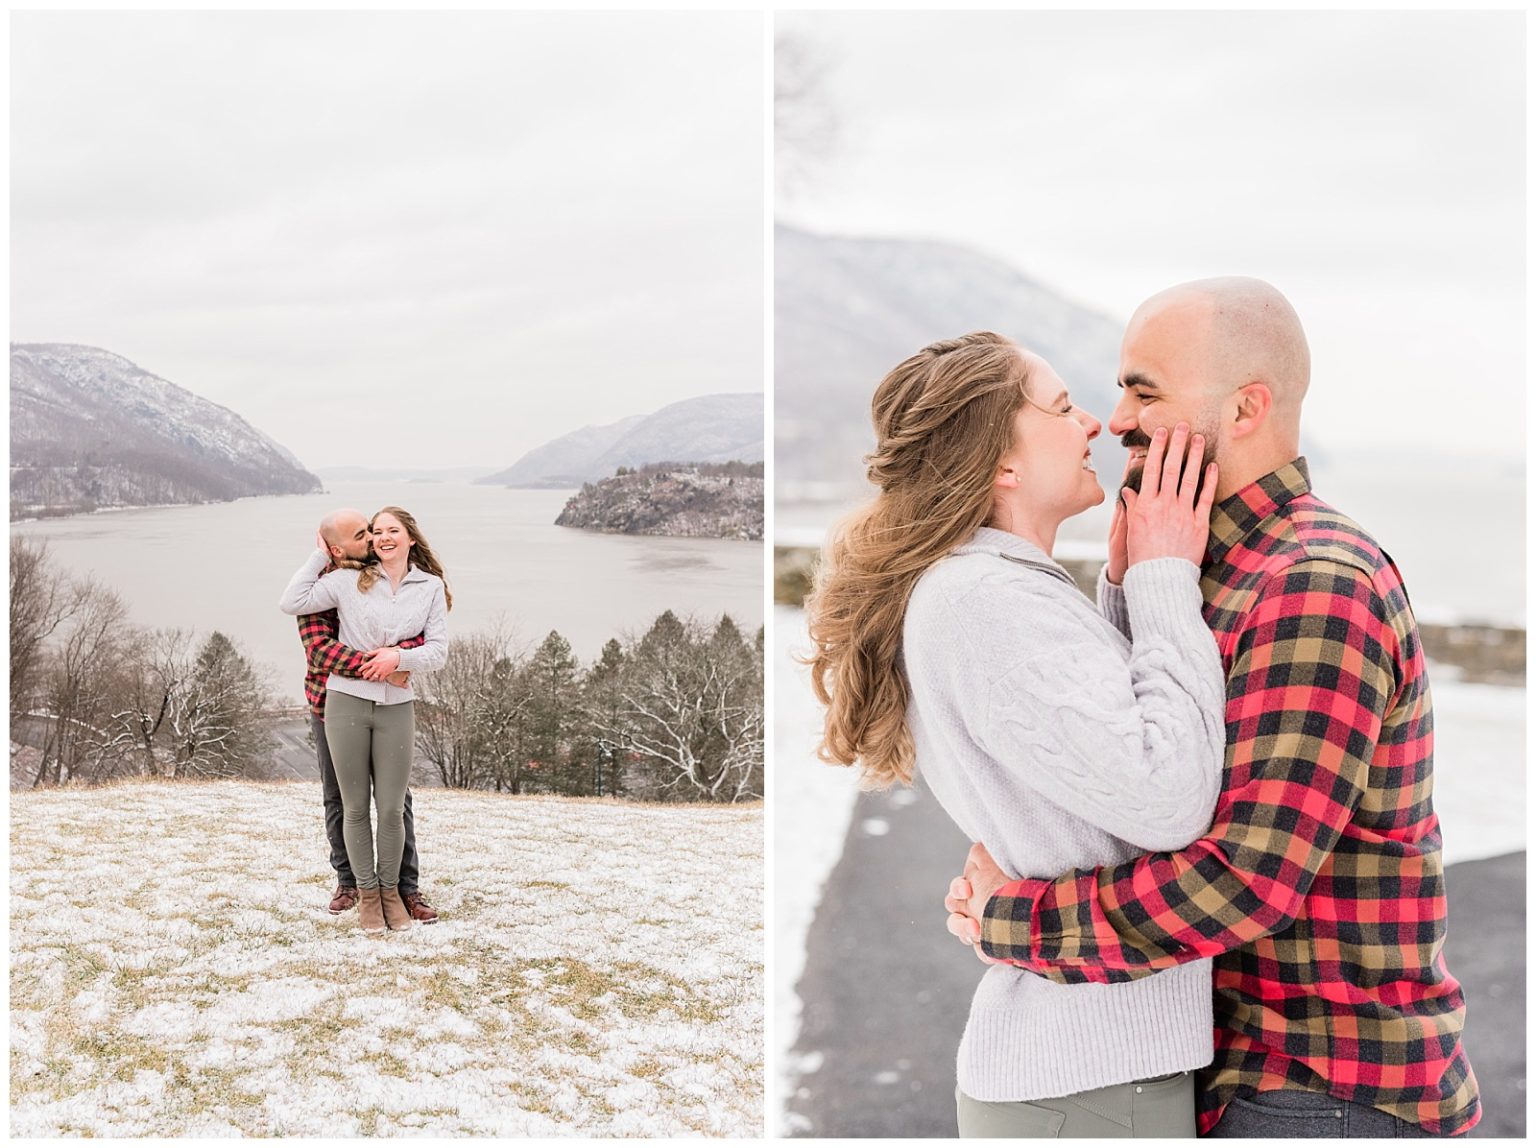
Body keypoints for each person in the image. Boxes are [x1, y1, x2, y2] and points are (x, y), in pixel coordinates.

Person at [943, 278, 1480, 1137]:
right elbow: (1140, 769)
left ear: (1244, 410)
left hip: (1322, 1089)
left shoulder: (1312, 585)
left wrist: (1013, 918)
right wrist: (1131, 583)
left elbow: (1243, 879)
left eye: (1143, 392)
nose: (1116, 419)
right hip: (1240, 1079)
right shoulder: (1202, 569)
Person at [806, 331, 1228, 1136]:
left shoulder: (989, 589)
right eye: (1064, 407)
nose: (1096, 425)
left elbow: (1077, 766)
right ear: (1002, 462)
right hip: (1096, 1080)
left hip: (1086, 1073)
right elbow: (1168, 797)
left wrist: (1126, 590)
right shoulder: (984, 602)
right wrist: (1166, 574)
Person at [280, 506, 450, 934]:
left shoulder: (413, 583)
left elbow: (420, 640)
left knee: (395, 804)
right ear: (339, 548)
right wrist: (375, 663)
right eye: (368, 533)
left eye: (379, 531)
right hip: (332, 702)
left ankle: (401, 890)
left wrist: (400, 657)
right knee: (343, 801)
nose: (374, 539)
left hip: (394, 702)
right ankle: (356, 887)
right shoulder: (339, 581)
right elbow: (317, 645)